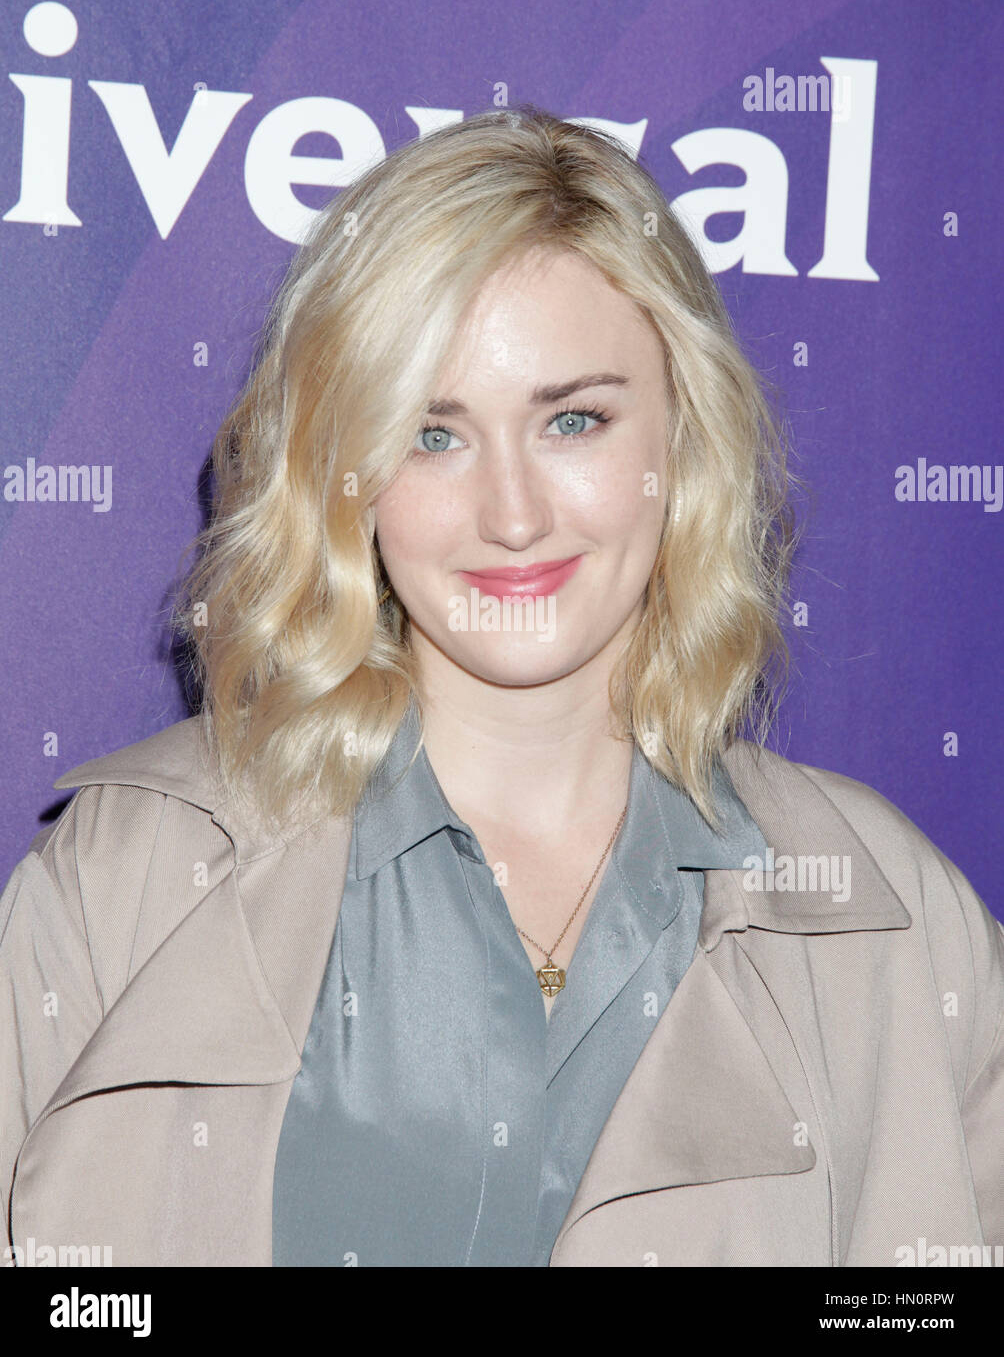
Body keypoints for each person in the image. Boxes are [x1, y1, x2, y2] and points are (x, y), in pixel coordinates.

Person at [1, 106, 1001, 1268]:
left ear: (677, 441)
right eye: (433, 436)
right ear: (346, 473)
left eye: (572, 418)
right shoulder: (128, 877)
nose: (513, 514)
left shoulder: (889, 915)